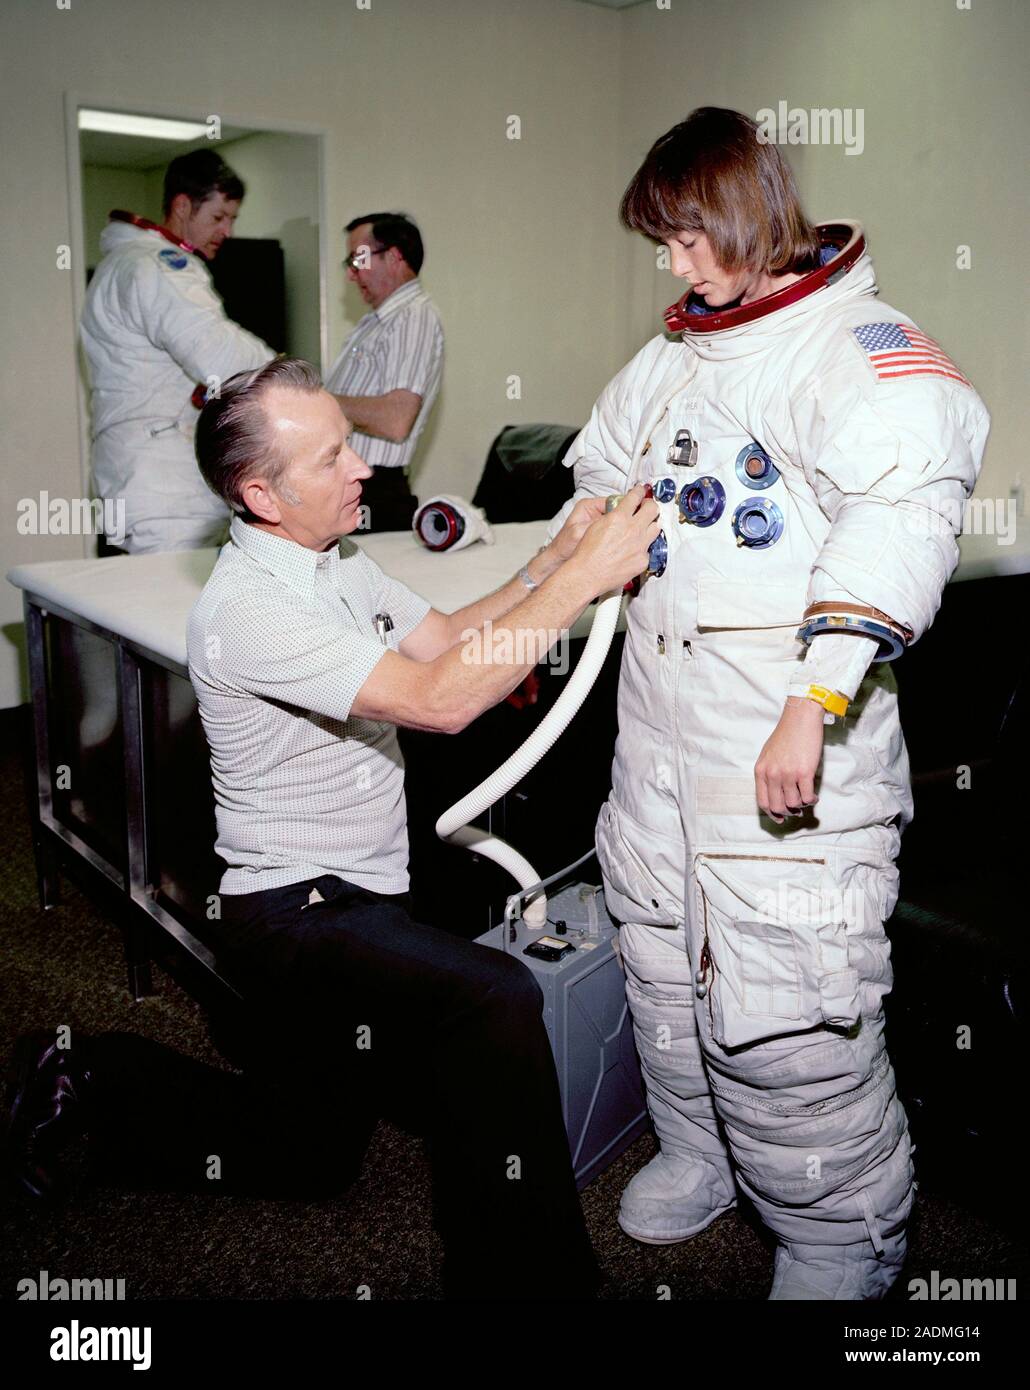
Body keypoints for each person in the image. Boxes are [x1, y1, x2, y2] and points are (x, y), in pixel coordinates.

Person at [4, 357, 659, 1301]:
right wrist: (589, 577)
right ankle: (526, 1286)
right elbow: (439, 702)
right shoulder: (250, 610)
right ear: (261, 494)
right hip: (294, 916)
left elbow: (449, 642)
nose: (362, 467)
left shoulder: (335, 563)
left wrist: (559, 562)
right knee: (493, 998)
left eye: (349, 445)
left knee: (308, 1155)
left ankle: (85, 1076)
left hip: (363, 890)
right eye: (331, 457)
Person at [546, 107, 990, 1300]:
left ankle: (846, 1231)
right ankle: (701, 1156)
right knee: (664, 972)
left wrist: (815, 697)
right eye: (664, 243)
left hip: (788, 737)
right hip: (658, 742)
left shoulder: (861, 348)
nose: (674, 264)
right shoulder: (679, 355)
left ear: (745, 211)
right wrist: (592, 533)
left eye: (688, 236)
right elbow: (595, 469)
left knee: (786, 1013)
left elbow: (902, 522)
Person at [80, 149, 275, 554]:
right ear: (183, 206)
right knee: (171, 611)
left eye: (233, 219)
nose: (227, 231)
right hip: (164, 483)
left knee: (158, 606)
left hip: (141, 474)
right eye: (218, 217)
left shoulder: (122, 265)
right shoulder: (158, 265)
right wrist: (290, 377)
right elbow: (220, 353)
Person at [324, 212, 444, 532]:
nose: (351, 274)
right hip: (354, 488)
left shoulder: (413, 317)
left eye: (357, 259)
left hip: (373, 494)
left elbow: (396, 420)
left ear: (393, 257)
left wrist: (315, 401)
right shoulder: (377, 322)